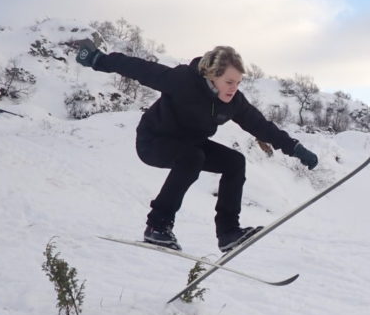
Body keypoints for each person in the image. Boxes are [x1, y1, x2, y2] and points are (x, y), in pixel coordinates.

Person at [75, 40, 319, 252]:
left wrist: (294, 148)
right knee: (192, 158)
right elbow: (140, 69)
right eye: (229, 82)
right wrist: (98, 59)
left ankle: (228, 234)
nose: (234, 88)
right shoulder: (183, 81)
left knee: (234, 162)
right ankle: (157, 226)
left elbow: (260, 125)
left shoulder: (233, 101)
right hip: (154, 140)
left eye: (238, 83)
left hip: (190, 144)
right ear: (212, 75)